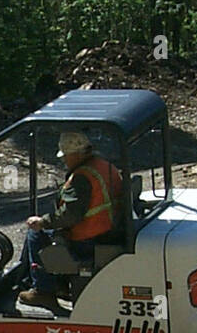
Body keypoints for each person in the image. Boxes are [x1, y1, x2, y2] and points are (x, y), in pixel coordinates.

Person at [17, 130, 123, 308]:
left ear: (77, 154)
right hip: (109, 228)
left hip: (89, 239)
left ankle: (43, 291)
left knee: (36, 235)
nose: (64, 160)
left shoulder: (82, 177)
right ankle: (56, 284)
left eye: (66, 156)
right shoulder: (104, 166)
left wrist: (43, 222)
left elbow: (71, 215)